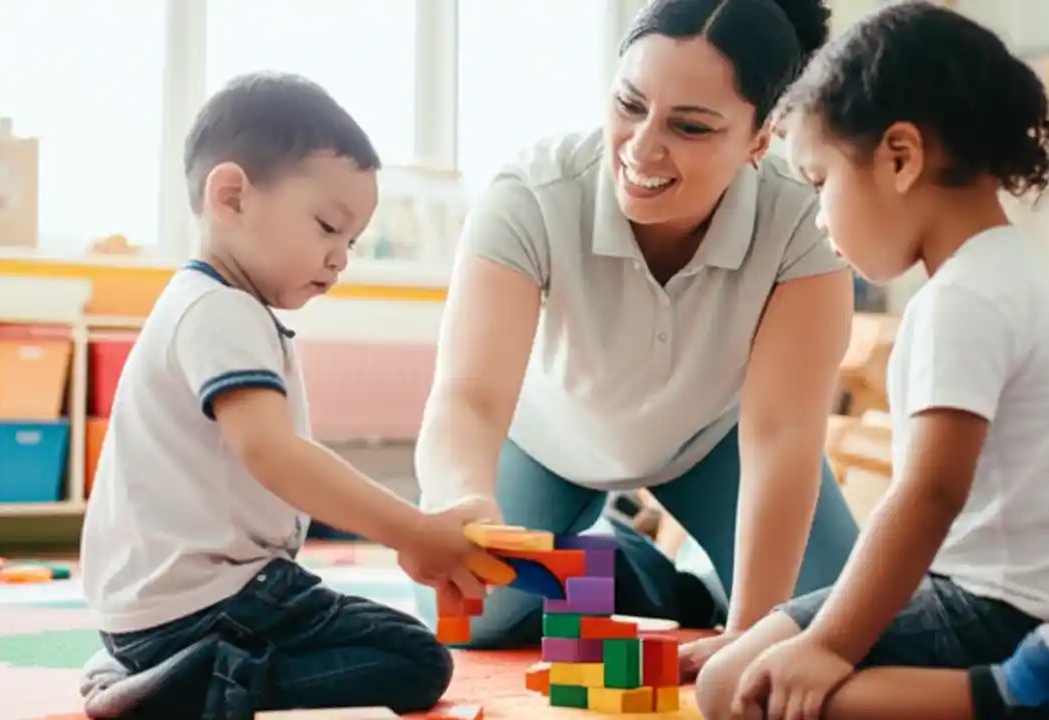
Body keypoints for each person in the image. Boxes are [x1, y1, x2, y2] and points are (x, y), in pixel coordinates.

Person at [694, 4, 1049, 719]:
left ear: (900, 157)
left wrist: (831, 646)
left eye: (820, 184)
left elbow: (929, 493)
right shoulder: (1007, 270)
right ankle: (1034, 690)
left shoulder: (961, 300)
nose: (819, 218)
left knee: (736, 691)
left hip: (1005, 615)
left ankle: (1026, 702)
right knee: (747, 658)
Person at [413, 0, 860, 671]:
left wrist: (745, 632)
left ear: (760, 140)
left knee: (825, 618)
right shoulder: (531, 194)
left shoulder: (803, 215)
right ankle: (613, 558)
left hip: (715, 443)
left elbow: (783, 431)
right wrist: (462, 504)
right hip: (547, 443)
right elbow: (467, 397)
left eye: (691, 127)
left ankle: (676, 583)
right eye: (629, 104)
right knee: (469, 616)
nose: (644, 147)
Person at [79, 72, 492, 718]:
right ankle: (197, 686)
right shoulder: (223, 312)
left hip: (146, 615)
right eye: (329, 227)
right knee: (415, 659)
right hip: (211, 602)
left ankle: (149, 669)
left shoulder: (199, 305)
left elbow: (259, 482)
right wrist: (411, 530)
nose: (341, 258)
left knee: (369, 638)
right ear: (232, 196)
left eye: (351, 241)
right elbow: (273, 455)